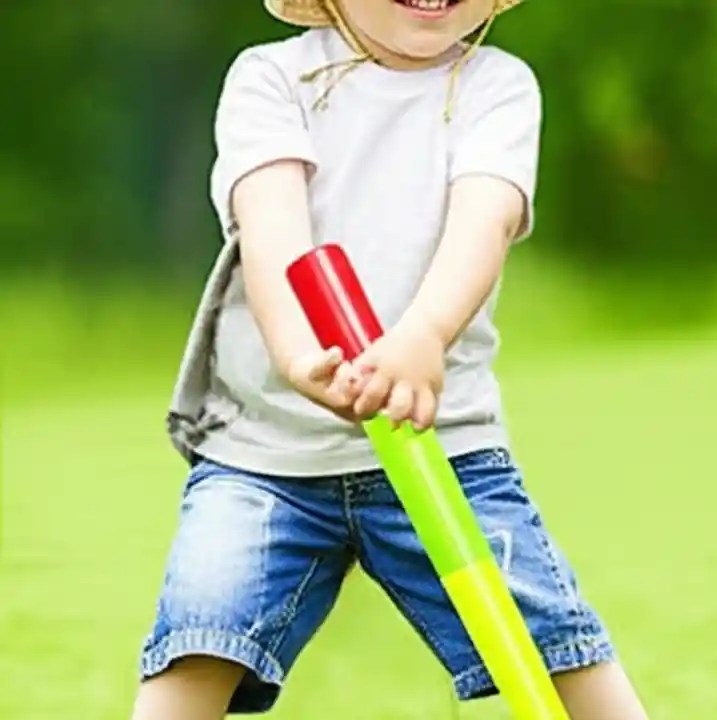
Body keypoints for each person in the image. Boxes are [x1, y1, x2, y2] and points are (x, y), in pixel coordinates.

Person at [131, 0, 650, 717]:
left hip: (444, 449)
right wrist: (298, 355)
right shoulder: (271, 79)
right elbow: (271, 225)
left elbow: (486, 218)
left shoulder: (494, 86)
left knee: (553, 641)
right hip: (266, 458)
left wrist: (423, 336)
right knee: (201, 629)